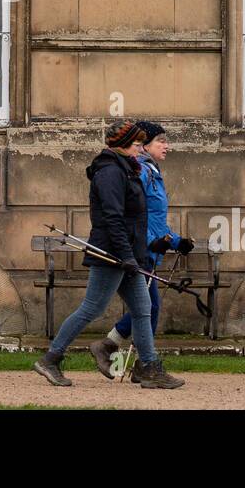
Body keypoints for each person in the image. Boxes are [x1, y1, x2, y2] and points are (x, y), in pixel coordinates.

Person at [32, 120, 185, 390]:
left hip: (129, 255)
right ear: (124, 146)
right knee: (92, 308)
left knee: (143, 309)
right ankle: (51, 358)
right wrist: (127, 255)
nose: (140, 149)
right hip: (112, 254)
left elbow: (136, 218)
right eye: (137, 145)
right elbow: (114, 219)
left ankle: (149, 368)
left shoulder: (127, 168)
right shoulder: (110, 171)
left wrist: (138, 253)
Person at [89, 120, 194, 383]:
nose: (166, 146)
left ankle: (138, 362)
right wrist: (151, 243)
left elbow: (155, 219)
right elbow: (134, 216)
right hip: (137, 251)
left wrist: (175, 241)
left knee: (148, 307)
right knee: (147, 307)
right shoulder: (142, 173)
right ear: (144, 146)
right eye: (161, 141)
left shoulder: (152, 172)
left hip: (146, 250)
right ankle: (122, 353)